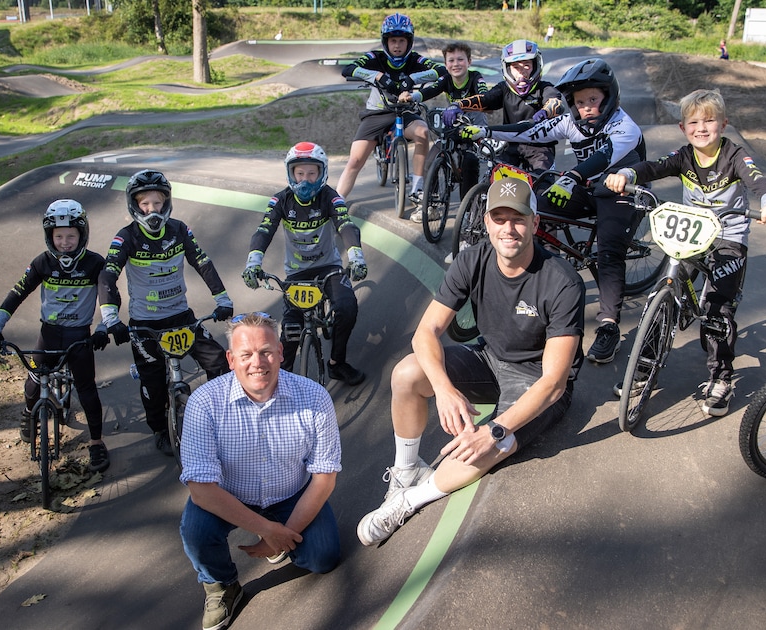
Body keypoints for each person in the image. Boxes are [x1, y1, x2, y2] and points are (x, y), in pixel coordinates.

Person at [356, 178, 585, 546]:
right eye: (500, 218)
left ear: (535, 223)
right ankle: (406, 470)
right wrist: (445, 390)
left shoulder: (562, 282)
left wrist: (494, 430)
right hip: (490, 359)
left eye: (519, 219)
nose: (509, 229)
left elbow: (554, 383)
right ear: (487, 222)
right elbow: (425, 332)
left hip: (536, 379)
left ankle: (410, 501)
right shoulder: (472, 260)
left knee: (489, 445)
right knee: (408, 373)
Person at [604, 88, 766, 415]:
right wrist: (627, 174)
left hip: (727, 236)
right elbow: (654, 167)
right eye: (693, 122)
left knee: (717, 310)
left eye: (709, 121)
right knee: (663, 294)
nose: (701, 128)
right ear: (683, 128)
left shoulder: (734, 156)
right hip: (693, 232)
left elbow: (758, 180)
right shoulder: (684, 156)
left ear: (724, 124)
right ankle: (644, 366)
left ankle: (721, 378)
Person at [456, 57, 645, 365]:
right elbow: (530, 131)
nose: (586, 107)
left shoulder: (625, 127)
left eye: (593, 100)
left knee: (609, 252)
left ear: (609, 97)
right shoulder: (571, 122)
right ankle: (537, 287)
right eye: (579, 102)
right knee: (532, 215)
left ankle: (609, 325)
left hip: (622, 191)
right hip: (586, 187)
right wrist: (485, 132)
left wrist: (571, 177)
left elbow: (603, 157)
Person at [179, 313, 341, 630]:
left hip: (290, 493)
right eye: (246, 355)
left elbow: (324, 479)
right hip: (229, 495)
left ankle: (284, 535)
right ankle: (221, 585)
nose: (257, 363)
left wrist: (280, 534)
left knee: (323, 558)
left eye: (266, 351)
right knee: (196, 532)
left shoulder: (314, 397)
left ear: (280, 352)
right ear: (231, 360)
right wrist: (267, 529)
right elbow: (201, 491)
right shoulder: (204, 404)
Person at [98, 169, 234, 457]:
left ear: (167, 203)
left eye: (158, 203)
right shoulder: (126, 237)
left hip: (181, 316)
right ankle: (160, 430)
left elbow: (202, 262)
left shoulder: (179, 229)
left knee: (219, 361)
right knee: (153, 381)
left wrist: (222, 298)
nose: (152, 210)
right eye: (145, 204)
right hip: (144, 324)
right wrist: (111, 319)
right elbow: (108, 275)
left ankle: (218, 415)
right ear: (134, 205)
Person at [0, 200, 112, 472]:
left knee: (87, 389)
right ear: (50, 237)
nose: (65, 243)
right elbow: (17, 293)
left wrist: (103, 329)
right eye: (58, 236)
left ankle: (96, 442)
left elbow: (109, 297)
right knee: (34, 381)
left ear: (82, 234)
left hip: (79, 337)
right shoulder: (43, 262)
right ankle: (29, 413)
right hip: (48, 334)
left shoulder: (95, 263)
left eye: (71, 236)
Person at [242, 142, 369, 386]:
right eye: (299, 173)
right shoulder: (280, 200)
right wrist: (253, 262)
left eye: (312, 173)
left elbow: (346, 226)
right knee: (290, 330)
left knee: (347, 307)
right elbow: (264, 231)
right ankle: (281, 380)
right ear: (290, 173)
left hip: (329, 267)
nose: (305, 180)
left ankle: (337, 363)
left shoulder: (331, 197)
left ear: (322, 173)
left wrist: (356, 257)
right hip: (297, 273)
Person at [336, 13, 446, 210]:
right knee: (355, 160)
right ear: (385, 42)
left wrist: (413, 79)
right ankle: (336, 202)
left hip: (405, 111)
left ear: (409, 41)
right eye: (392, 41)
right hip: (376, 114)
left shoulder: (415, 59)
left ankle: (417, 189)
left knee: (423, 132)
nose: (397, 45)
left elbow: (441, 70)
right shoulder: (374, 57)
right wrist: (378, 76)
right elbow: (348, 69)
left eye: (401, 41)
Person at [451, 39, 565, 174]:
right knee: (494, 179)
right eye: (516, 67)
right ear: (508, 69)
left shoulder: (545, 87)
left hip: (540, 147)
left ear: (536, 66)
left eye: (527, 65)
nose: (521, 72)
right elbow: (486, 99)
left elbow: (554, 101)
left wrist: (546, 111)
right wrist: (458, 105)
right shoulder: (503, 89)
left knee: (543, 183)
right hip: (510, 145)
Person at [406, 41, 489, 221]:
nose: (456, 64)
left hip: (474, 127)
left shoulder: (476, 77)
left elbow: (484, 95)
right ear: (446, 64)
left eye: (460, 59)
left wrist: (460, 105)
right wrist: (412, 97)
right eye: (451, 60)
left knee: (469, 162)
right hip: (453, 125)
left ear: (469, 62)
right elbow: (431, 90)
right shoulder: (446, 79)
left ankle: (468, 213)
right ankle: (430, 207)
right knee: (432, 158)